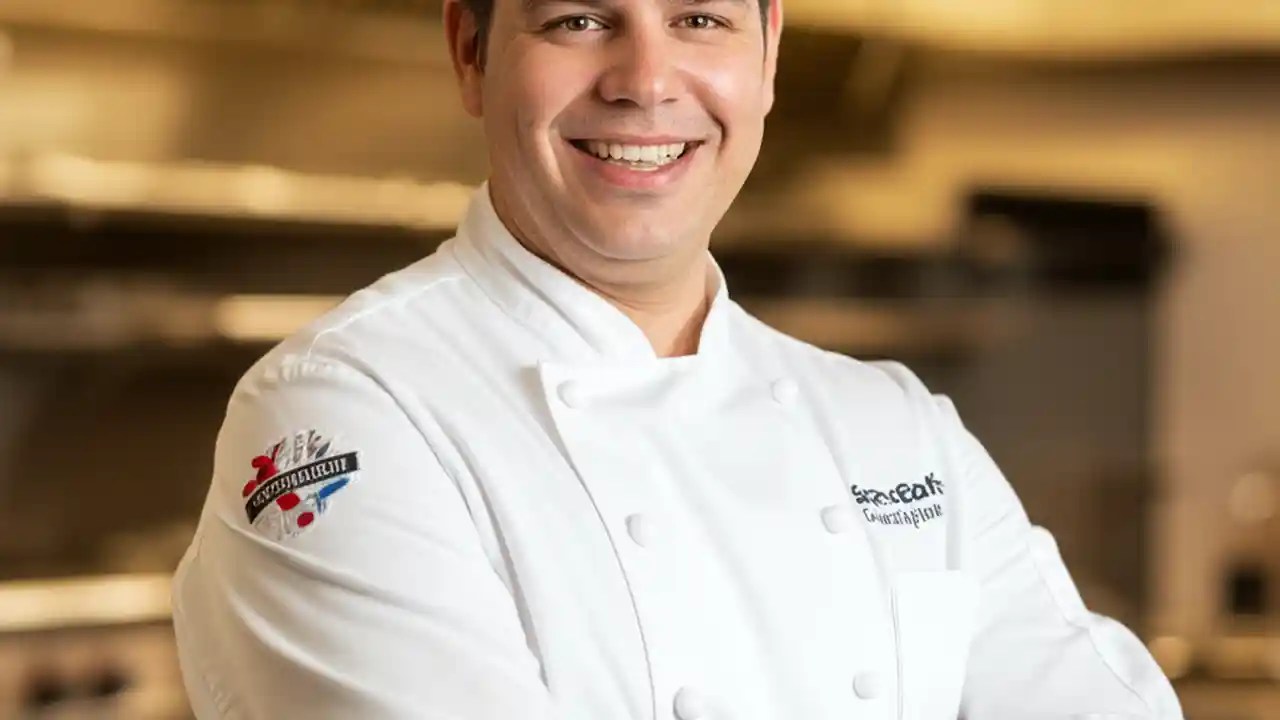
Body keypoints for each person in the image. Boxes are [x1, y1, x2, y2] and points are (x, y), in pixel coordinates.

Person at [170, 0, 1183, 718]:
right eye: (577, 19)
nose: (645, 80)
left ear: (767, 52)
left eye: (698, 18)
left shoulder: (890, 423)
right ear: (470, 52)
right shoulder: (343, 412)